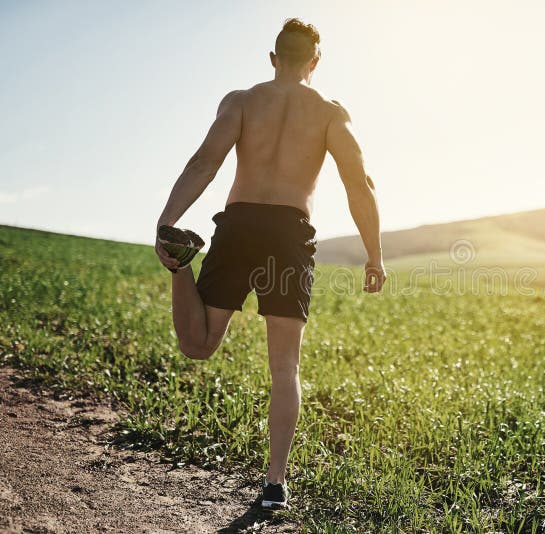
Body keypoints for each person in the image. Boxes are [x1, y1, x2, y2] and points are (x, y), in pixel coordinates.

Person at [154, 18, 386, 510]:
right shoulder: (329, 113)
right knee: (285, 366)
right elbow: (358, 183)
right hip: (288, 236)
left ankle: (181, 266)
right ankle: (275, 484)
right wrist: (375, 255)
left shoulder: (240, 101)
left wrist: (167, 222)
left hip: (239, 226)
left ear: (273, 57)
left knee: (197, 346)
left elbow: (204, 162)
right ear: (315, 63)